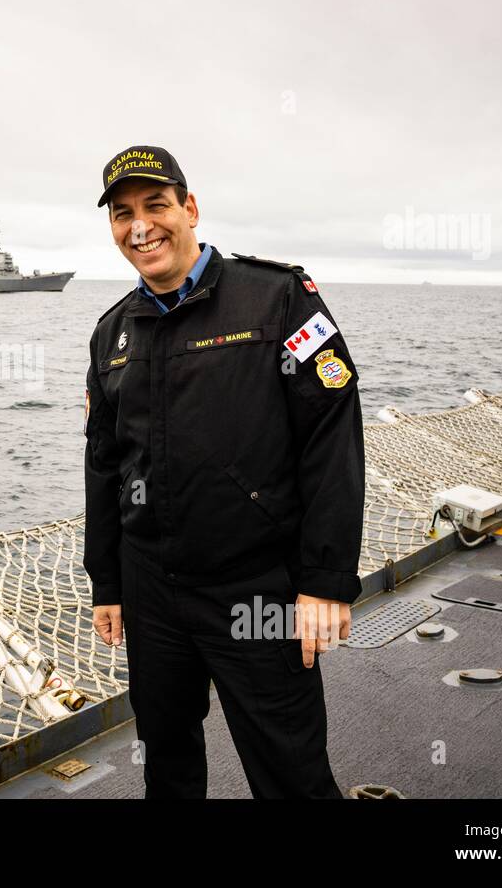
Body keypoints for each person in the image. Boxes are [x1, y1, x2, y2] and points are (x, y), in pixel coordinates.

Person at [82, 146, 365, 798]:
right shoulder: (111, 333)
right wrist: (108, 582)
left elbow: (330, 438)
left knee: (291, 770)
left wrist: (325, 580)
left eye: (156, 206)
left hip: (256, 588)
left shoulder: (276, 299)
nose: (140, 226)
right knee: (168, 764)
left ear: (190, 208)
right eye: (122, 214)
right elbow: (104, 463)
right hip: (153, 593)